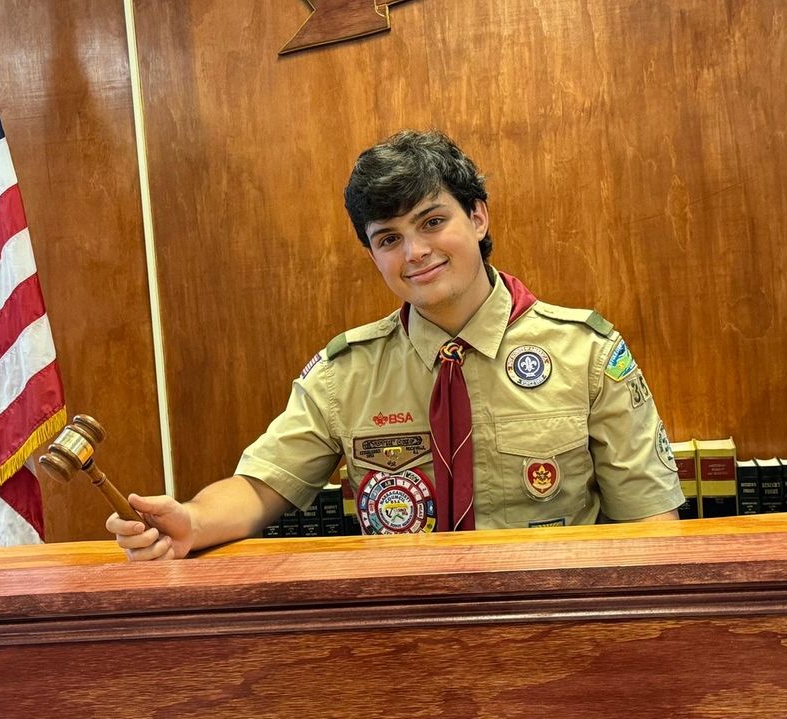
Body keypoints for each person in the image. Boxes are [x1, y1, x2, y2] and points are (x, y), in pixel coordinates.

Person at [108, 130, 682, 560]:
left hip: (554, 630)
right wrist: (192, 520)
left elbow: (653, 525)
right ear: (373, 254)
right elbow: (262, 486)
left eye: (432, 222)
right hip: (403, 644)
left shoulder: (586, 353)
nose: (414, 253)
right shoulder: (346, 373)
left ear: (478, 217)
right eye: (389, 238)